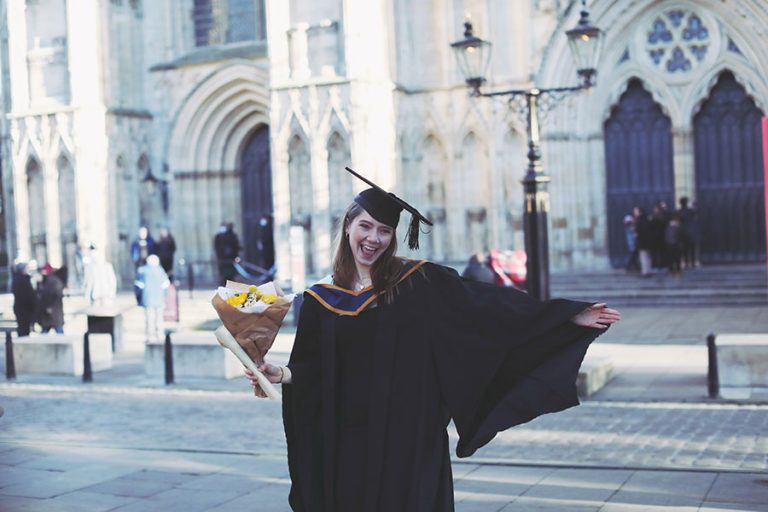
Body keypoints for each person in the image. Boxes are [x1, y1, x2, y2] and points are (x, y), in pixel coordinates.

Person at [245, 167, 621, 512]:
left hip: (407, 435)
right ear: (348, 226)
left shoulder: (417, 283)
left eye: (384, 230)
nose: (374, 238)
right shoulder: (317, 299)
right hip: (348, 439)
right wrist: (279, 373)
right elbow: (314, 368)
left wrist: (566, 316)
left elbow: (487, 310)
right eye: (366, 226)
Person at [135, 254, 170, 342]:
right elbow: (166, 285)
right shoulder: (160, 270)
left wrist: (139, 299)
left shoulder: (142, 271)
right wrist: (164, 296)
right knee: (159, 318)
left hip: (147, 298)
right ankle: (160, 335)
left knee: (149, 319)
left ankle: (150, 336)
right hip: (159, 298)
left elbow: (139, 287)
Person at [37, 263, 65, 334]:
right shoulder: (46, 281)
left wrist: (50, 306)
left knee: (57, 329)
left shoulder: (53, 281)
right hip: (49, 312)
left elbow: (56, 295)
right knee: (47, 329)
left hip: (53, 310)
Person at [11, 261, 36, 336]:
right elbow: (28, 296)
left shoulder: (17, 279)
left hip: (21, 308)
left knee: (23, 328)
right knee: (24, 329)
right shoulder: (23, 280)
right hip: (24, 308)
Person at [677, 196, 698, 269]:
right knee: (692, 248)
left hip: (683, 232)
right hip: (690, 231)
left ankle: (686, 263)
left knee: (685, 249)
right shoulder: (690, 211)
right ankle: (692, 262)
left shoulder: (679, 211)